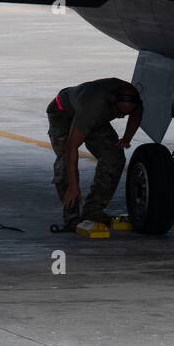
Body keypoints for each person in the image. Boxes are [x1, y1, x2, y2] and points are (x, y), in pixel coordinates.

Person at [48, 78, 142, 232]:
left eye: (126, 114)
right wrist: (73, 185)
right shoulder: (92, 108)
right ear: (112, 102)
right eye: (119, 112)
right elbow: (72, 147)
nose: (121, 117)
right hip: (63, 112)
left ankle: (93, 210)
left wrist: (126, 138)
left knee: (114, 158)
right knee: (66, 161)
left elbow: (136, 115)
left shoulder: (132, 100)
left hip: (95, 115)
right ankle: (71, 218)